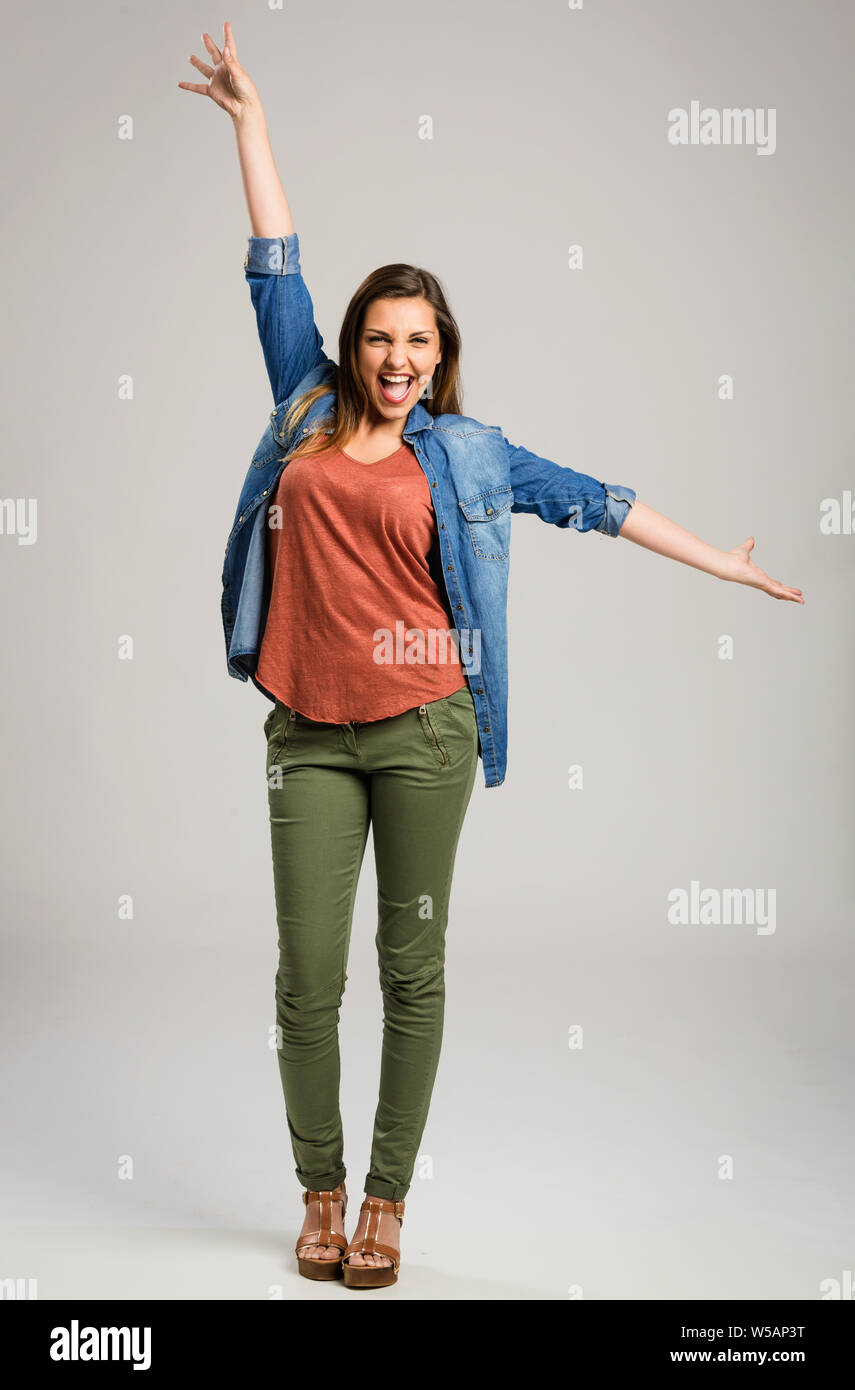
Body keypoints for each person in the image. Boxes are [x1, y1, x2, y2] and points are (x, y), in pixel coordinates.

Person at [179, 21, 804, 1291]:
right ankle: (318, 1193)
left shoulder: (467, 454)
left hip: (425, 734)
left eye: (421, 343)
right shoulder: (302, 402)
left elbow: (599, 498)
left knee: (412, 969)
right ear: (352, 345)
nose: (399, 361)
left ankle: (389, 1205)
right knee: (308, 979)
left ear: (439, 353)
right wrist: (251, 122)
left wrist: (725, 566)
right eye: (381, 339)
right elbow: (274, 267)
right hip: (307, 727)